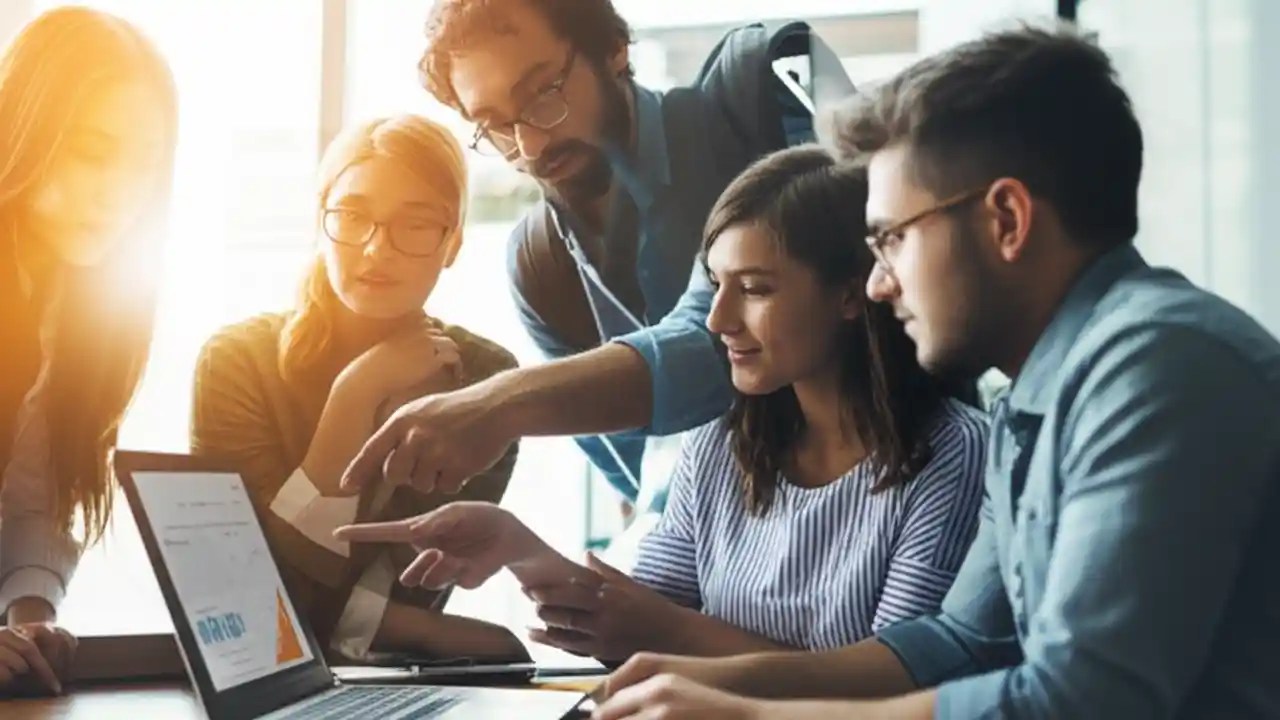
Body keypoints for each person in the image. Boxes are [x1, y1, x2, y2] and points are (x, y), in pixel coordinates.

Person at [585, 24, 1280, 720]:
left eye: (893, 238)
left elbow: (1082, 702)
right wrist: (689, 683)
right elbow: (954, 642)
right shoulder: (1032, 404)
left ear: (1006, 219)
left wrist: (757, 716)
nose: (881, 285)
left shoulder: (1156, 371)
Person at [335, 146, 987, 662]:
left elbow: (891, 685)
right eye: (716, 287)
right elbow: (634, 623)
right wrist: (516, 548)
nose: (719, 319)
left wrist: (670, 630)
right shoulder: (719, 449)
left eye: (755, 288)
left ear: (851, 294)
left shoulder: (954, 453)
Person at [346, 0, 851, 507]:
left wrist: (502, 405)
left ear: (613, 48)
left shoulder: (743, 111)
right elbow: (652, 488)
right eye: (493, 124)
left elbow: (715, 338)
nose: (529, 142)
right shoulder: (539, 266)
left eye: (544, 92)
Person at [190, 115, 524, 663]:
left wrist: (399, 626)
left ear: (454, 243)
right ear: (321, 222)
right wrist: (355, 393)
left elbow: (406, 582)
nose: (376, 250)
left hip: (400, 683)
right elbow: (248, 600)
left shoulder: (483, 378)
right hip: (255, 681)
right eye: (352, 216)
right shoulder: (236, 363)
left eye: (415, 225)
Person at [0, 6, 177, 696]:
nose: (121, 193)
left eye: (144, 165)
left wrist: (31, 613)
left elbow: (35, 504)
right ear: (22, 130)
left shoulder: (73, 308)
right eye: (95, 152)